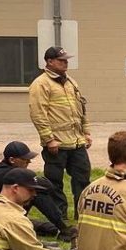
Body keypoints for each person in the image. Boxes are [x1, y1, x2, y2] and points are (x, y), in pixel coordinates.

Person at [28, 46, 91, 218]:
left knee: (83, 179)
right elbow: (38, 113)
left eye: (66, 60)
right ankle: (59, 216)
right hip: (57, 144)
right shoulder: (40, 84)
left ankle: (83, 214)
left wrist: (86, 132)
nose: (66, 63)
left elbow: (81, 107)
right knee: (54, 183)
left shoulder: (71, 82)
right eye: (61, 60)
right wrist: (49, 140)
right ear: (49, 61)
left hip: (77, 142)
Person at [0, 141, 77, 242]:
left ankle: (55, 228)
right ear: (12, 160)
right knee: (36, 194)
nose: (29, 162)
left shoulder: (1, 168)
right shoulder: (10, 173)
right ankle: (64, 229)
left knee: (48, 228)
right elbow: (47, 186)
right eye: (25, 159)